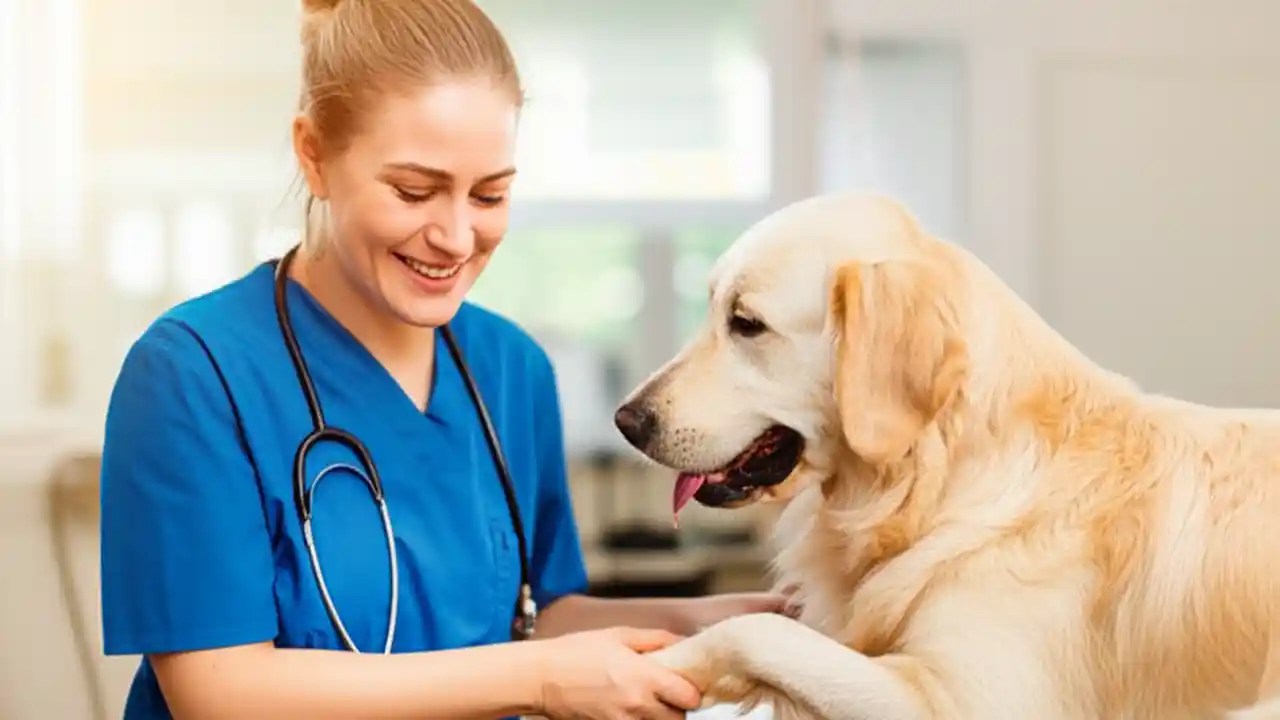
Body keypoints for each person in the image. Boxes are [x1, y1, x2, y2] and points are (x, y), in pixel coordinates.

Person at [98, 0, 791, 718]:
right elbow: (218, 692)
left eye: (490, 194)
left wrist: (724, 630)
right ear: (314, 155)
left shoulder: (511, 370)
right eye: (414, 190)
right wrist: (541, 679)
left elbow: (532, 622)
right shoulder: (193, 374)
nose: (457, 237)